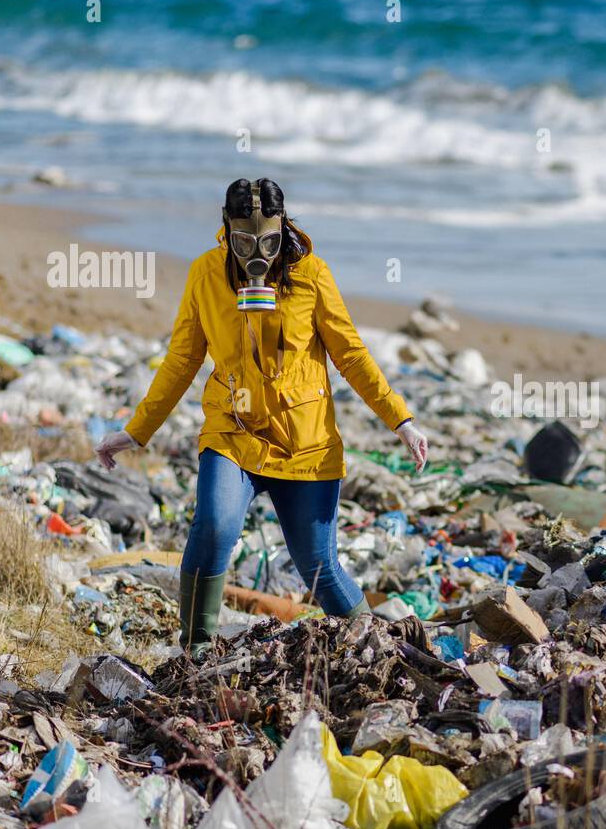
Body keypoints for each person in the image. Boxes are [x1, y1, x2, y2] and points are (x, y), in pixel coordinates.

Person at [94, 178, 428, 657]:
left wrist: (402, 421)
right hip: (233, 431)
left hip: (305, 443)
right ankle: (195, 652)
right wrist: (135, 431)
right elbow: (181, 360)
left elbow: (350, 354)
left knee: (318, 565)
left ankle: (380, 650)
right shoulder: (206, 275)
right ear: (226, 232)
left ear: (283, 230)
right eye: (245, 243)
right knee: (214, 525)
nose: (259, 255)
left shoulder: (311, 274)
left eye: (269, 243)